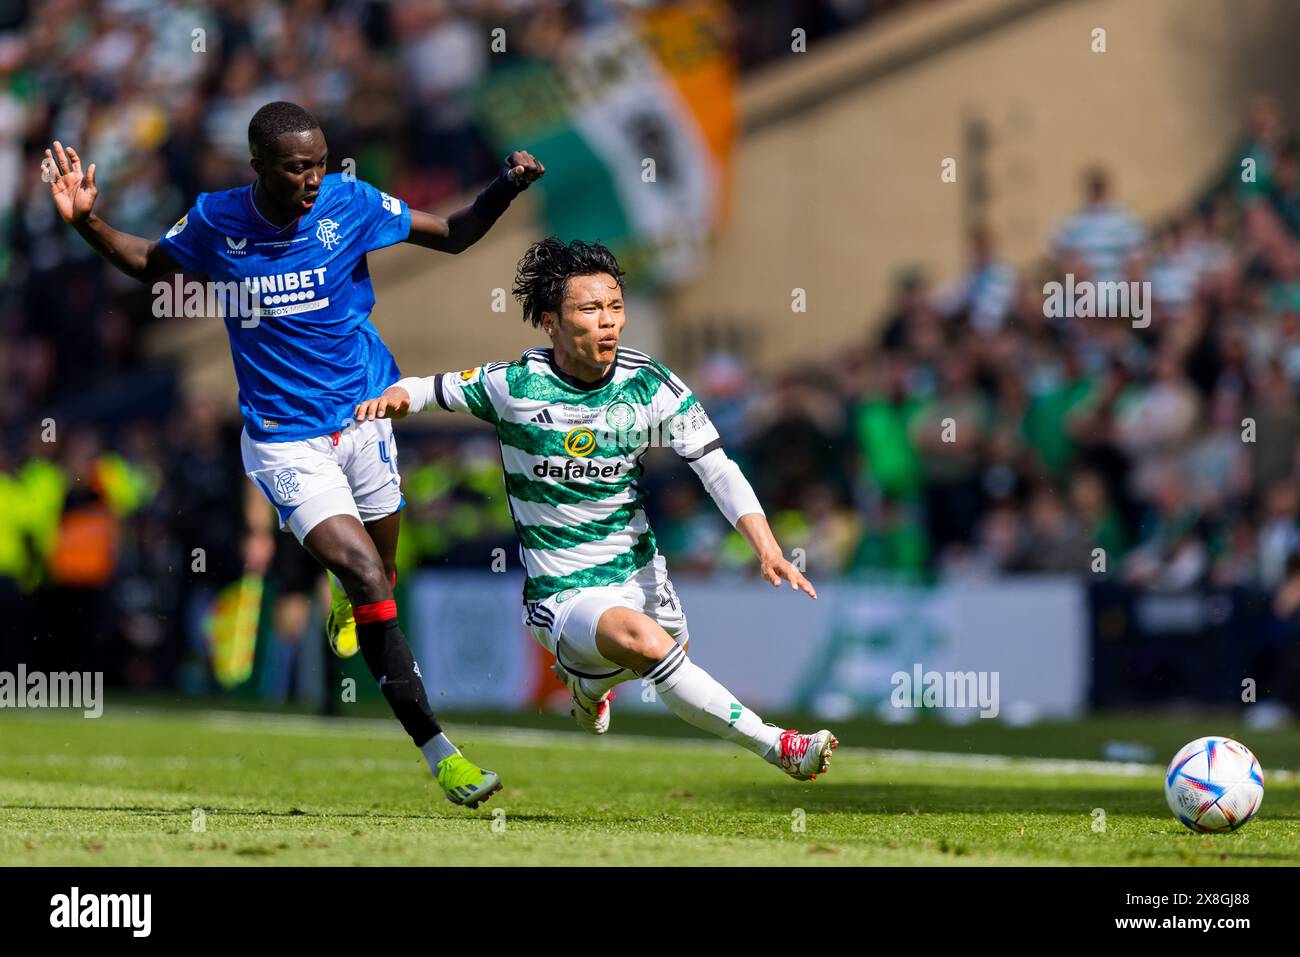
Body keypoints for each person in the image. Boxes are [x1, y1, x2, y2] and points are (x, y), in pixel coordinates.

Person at [43, 100, 546, 809]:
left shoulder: (351, 203)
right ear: (260, 168)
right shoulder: (218, 220)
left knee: (383, 572)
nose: (311, 178)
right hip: (285, 439)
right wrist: (87, 221)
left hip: (368, 414)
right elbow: (149, 262)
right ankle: (443, 754)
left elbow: (457, 236)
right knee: (368, 572)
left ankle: (357, 597)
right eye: (295, 167)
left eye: (317, 162)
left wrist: (505, 186)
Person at [354, 238, 838, 781]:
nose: (608, 322)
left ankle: (587, 686)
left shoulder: (649, 383)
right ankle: (782, 747)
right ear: (550, 323)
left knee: (666, 648)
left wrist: (768, 549)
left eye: (614, 306)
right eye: (589, 309)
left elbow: (717, 467)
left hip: (639, 571)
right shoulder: (514, 386)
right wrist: (393, 396)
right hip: (562, 591)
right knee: (649, 647)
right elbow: (427, 389)